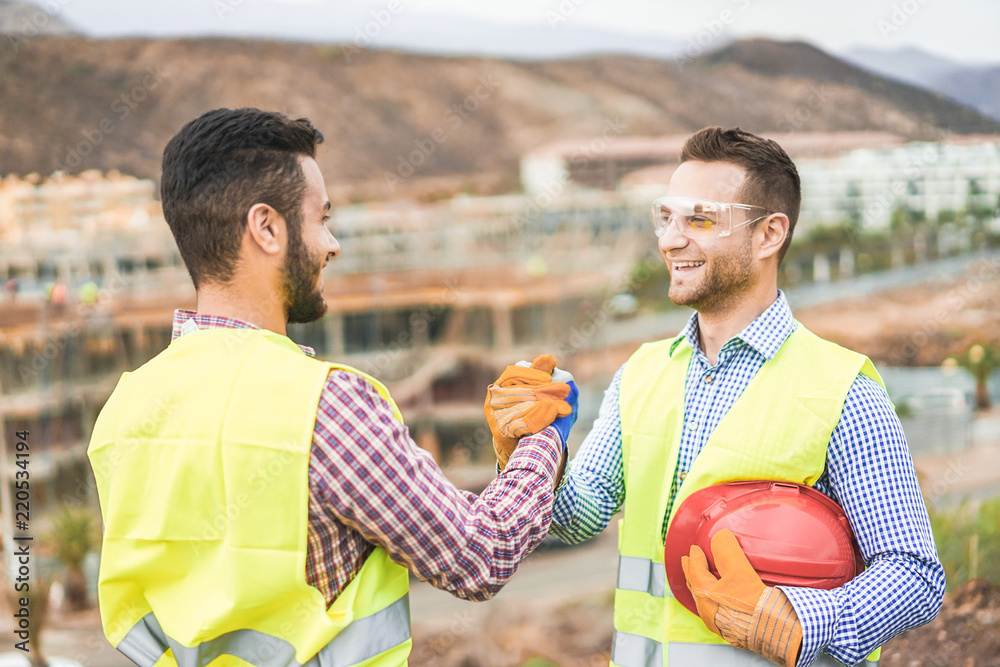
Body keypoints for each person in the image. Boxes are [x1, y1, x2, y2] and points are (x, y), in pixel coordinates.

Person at [87, 107, 574, 666]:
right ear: (266, 228)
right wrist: (545, 436)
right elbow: (478, 556)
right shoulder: (323, 407)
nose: (333, 243)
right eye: (321, 219)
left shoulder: (125, 412)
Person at [485, 127, 945, 667]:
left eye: (700, 219)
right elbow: (579, 517)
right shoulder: (641, 373)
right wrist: (529, 450)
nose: (670, 240)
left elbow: (914, 576)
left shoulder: (843, 391)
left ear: (769, 234)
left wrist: (798, 620)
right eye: (667, 217)